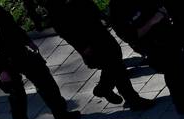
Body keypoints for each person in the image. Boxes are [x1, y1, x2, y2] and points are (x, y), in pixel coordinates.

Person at [22, 0, 152, 110]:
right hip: (84, 35)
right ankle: (132, 99)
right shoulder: (55, 6)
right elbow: (63, 27)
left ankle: (105, 88)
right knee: (113, 64)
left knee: (114, 57)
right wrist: (82, 46)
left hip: (93, 24)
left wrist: (99, 15)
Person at [109, 0, 184, 114]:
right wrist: (153, 20)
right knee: (173, 72)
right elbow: (131, 35)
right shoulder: (117, 10)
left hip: (168, 36)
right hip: (153, 45)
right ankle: (183, 104)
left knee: (180, 68)